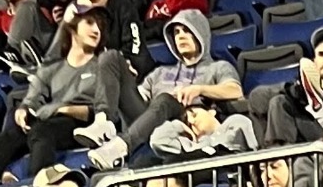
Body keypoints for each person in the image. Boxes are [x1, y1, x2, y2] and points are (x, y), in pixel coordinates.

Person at [0, 1, 127, 187]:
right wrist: (24, 109)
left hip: (82, 126)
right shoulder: (55, 65)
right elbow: (35, 95)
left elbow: (108, 114)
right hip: (49, 119)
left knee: (41, 132)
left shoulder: (104, 65)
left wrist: (64, 109)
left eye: (100, 26)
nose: (96, 30)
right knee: (2, 141)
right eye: (89, 23)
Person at [91, 9, 240, 167]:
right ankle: (102, 121)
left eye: (187, 31)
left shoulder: (217, 67)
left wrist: (199, 89)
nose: (180, 36)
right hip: (148, 125)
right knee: (111, 57)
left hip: (184, 128)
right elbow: (138, 101)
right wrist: (126, 81)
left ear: (201, 34)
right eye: (176, 32)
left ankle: (119, 147)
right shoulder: (160, 72)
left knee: (166, 100)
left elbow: (235, 90)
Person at [249, 27, 323, 146]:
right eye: (321, 54)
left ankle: (297, 92)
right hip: (297, 133)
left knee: (280, 103)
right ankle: (297, 91)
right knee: (257, 97)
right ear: (314, 62)